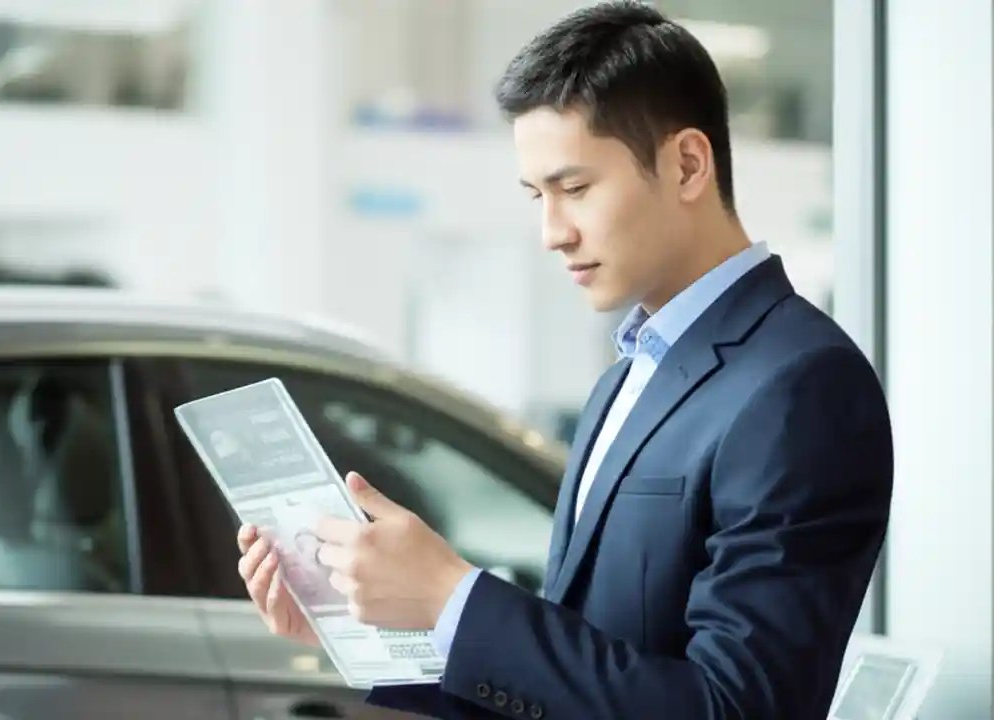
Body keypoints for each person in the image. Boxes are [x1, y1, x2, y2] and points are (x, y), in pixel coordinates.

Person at [235, 2, 893, 718]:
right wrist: (362, 625)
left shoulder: (801, 385)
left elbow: (733, 708)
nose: (551, 232)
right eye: (536, 196)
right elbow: (572, 684)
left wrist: (453, 596)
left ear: (687, 164)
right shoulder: (623, 380)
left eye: (575, 189)